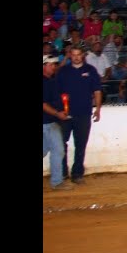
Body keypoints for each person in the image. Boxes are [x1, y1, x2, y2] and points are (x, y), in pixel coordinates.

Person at [57, 46, 103, 184]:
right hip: (65, 113)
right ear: (70, 55)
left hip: (83, 113)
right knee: (61, 143)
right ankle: (62, 172)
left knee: (81, 144)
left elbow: (97, 91)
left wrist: (98, 109)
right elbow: (57, 92)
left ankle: (77, 173)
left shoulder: (90, 70)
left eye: (79, 54)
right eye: (74, 54)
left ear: (83, 55)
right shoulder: (63, 71)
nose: (76, 57)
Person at [43, 55, 74, 191]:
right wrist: (57, 113)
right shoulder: (45, 82)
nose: (54, 66)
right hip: (48, 122)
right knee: (58, 150)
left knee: (45, 150)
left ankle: (57, 181)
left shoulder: (51, 81)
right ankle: (57, 181)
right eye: (51, 64)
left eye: (55, 64)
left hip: (49, 121)